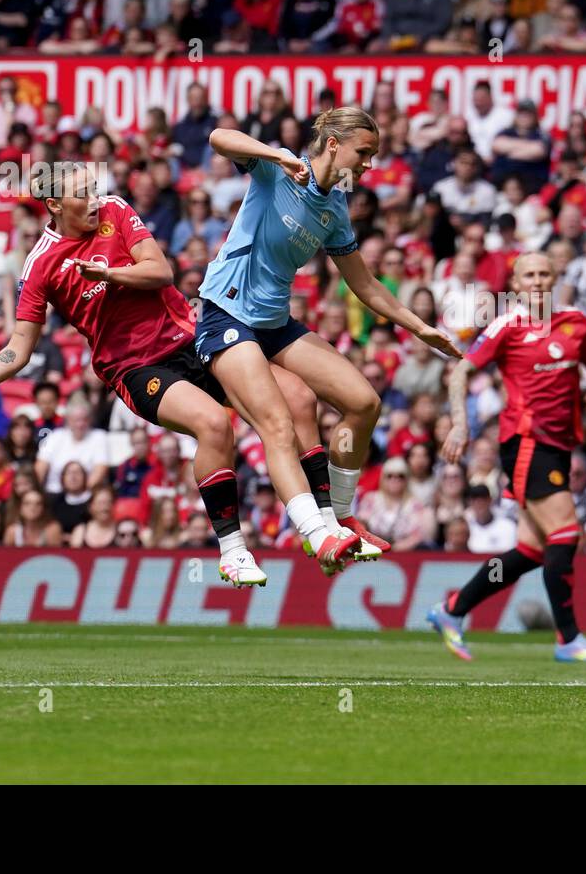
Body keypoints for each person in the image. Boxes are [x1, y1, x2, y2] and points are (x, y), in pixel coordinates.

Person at [0, 162, 313, 587]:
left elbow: (160, 271)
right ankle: (233, 550)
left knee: (295, 396)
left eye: (94, 189)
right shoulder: (41, 264)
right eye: (83, 195)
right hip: (134, 366)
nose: (95, 201)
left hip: (191, 339)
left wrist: (110, 274)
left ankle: (325, 521)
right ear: (55, 205)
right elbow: (18, 348)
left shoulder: (115, 210)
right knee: (213, 425)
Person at [195, 109, 462, 574]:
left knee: (363, 402)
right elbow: (220, 137)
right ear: (334, 144)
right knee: (278, 420)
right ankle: (314, 535)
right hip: (226, 314)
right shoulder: (273, 171)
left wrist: (419, 326)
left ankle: (339, 516)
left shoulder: (335, 208)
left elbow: (366, 284)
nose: (369, 165)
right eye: (364, 152)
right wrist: (274, 154)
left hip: (275, 323)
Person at [431, 251, 586, 664]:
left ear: (554, 279)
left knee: (533, 551)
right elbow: (462, 370)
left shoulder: (576, 322)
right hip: (525, 443)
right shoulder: (506, 326)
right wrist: (460, 425)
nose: (537, 281)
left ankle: (451, 610)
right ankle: (568, 639)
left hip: (558, 445)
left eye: (544, 274)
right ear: (516, 285)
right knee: (566, 533)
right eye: (528, 275)